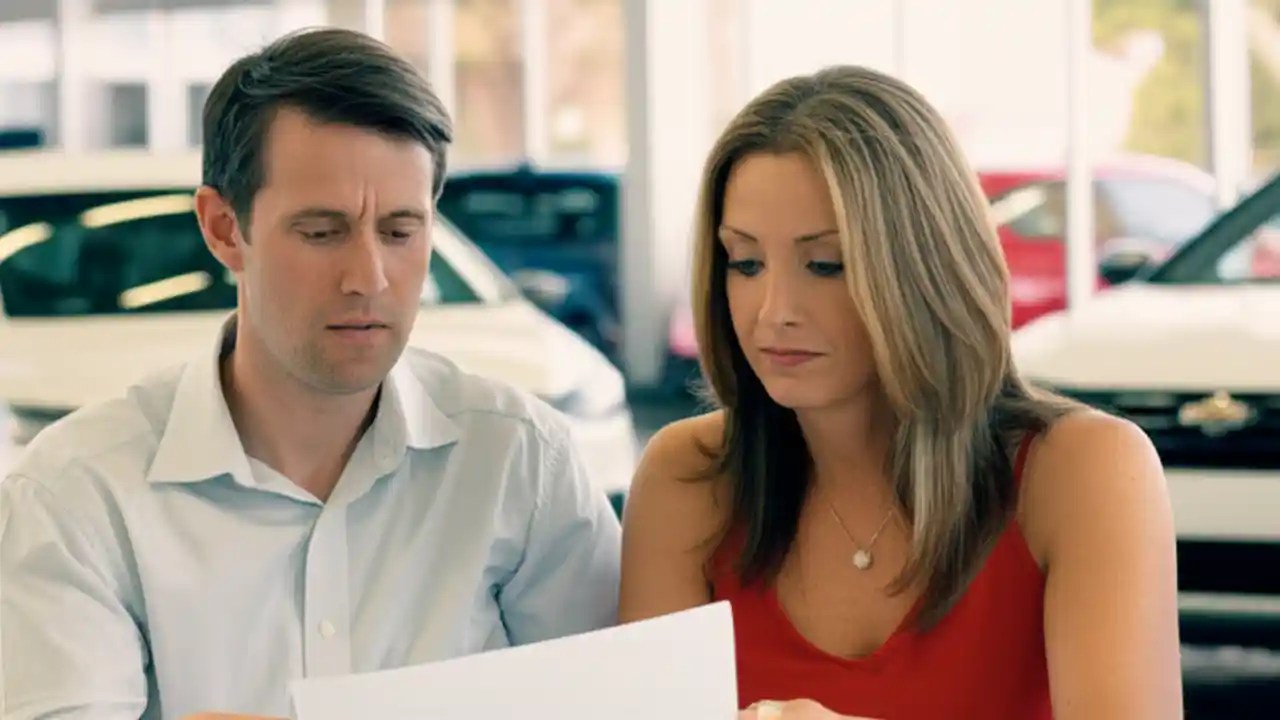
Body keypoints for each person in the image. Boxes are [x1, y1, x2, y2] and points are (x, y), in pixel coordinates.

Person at [0, 28, 620, 720]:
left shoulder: (518, 459)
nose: (369, 277)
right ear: (224, 228)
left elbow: (620, 702)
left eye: (400, 230)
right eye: (322, 232)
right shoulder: (79, 494)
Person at [619, 65, 1182, 719]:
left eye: (825, 264)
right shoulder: (688, 479)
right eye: (745, 262)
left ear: (923, 266)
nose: (773, 311)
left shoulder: (1082, 470)